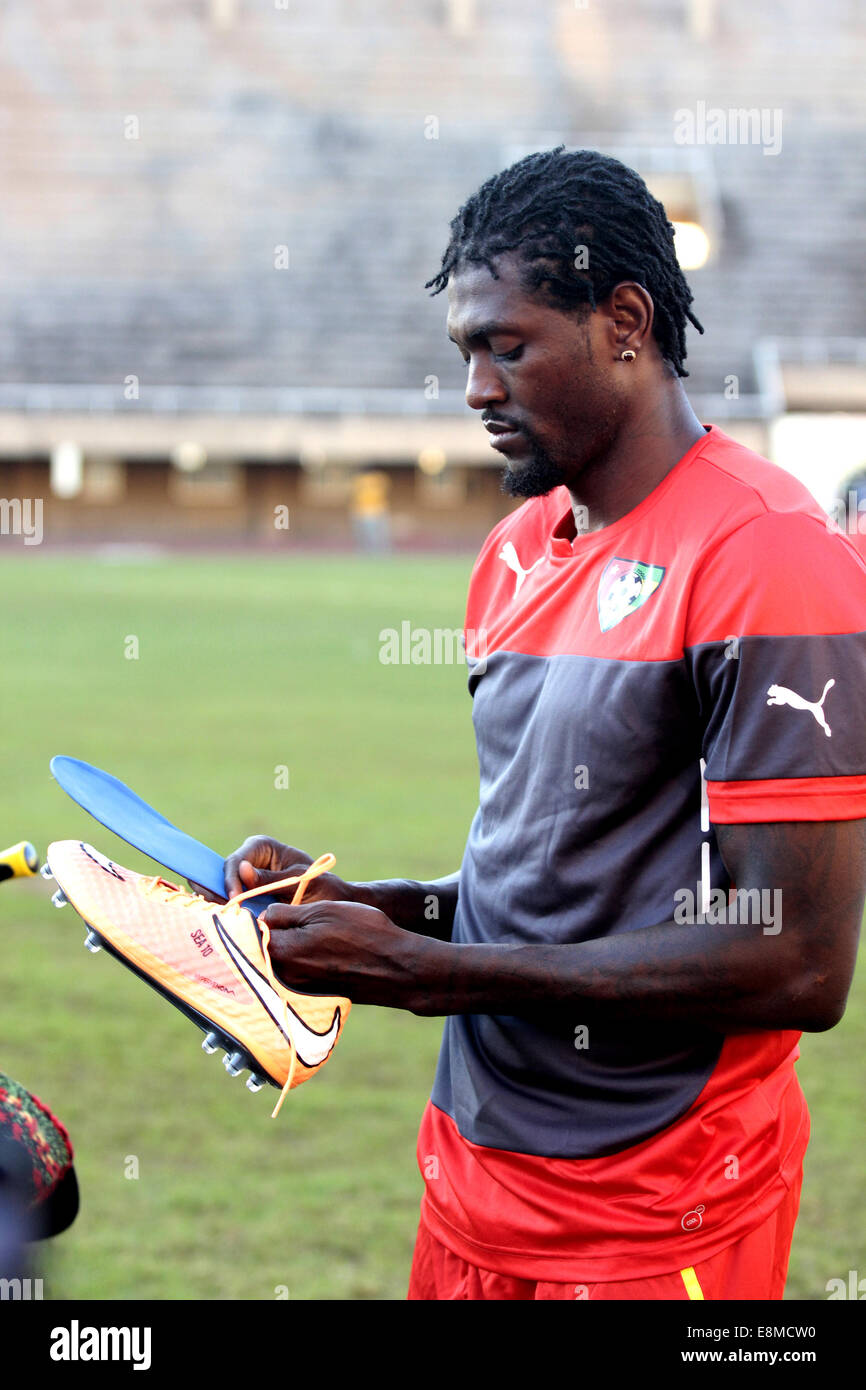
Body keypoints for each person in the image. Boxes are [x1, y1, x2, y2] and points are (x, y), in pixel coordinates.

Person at [222, 148, 866, 1300]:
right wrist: (366, 912)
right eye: (463, 353)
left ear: (623, 322)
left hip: (656, 1220)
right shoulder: (514, 554)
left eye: (504, 346)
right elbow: (549, 890)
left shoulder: (763, 553)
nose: (473, 389)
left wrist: (437, 972)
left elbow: (797, 962)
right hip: (469, 1185)